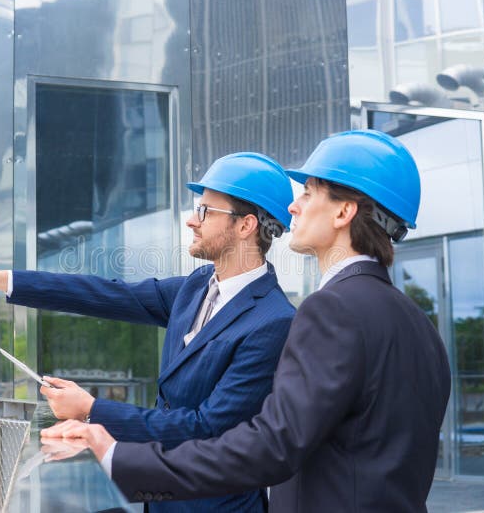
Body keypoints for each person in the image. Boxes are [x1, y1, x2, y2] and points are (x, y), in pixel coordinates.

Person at [44, 130, 453, 512]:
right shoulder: (421, 325)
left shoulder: (331, 310)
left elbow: (273, 445)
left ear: (344, 212)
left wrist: (120, 456)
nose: (293, 206)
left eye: (308, 194)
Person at [0, 152, 297, 512]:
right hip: (162, 497)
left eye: (205, 211)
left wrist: (92, 410)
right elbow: (104, 293)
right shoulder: (196, 287)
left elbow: (207, 428)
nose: (192, 219)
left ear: (246, 225)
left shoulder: (272, 321)